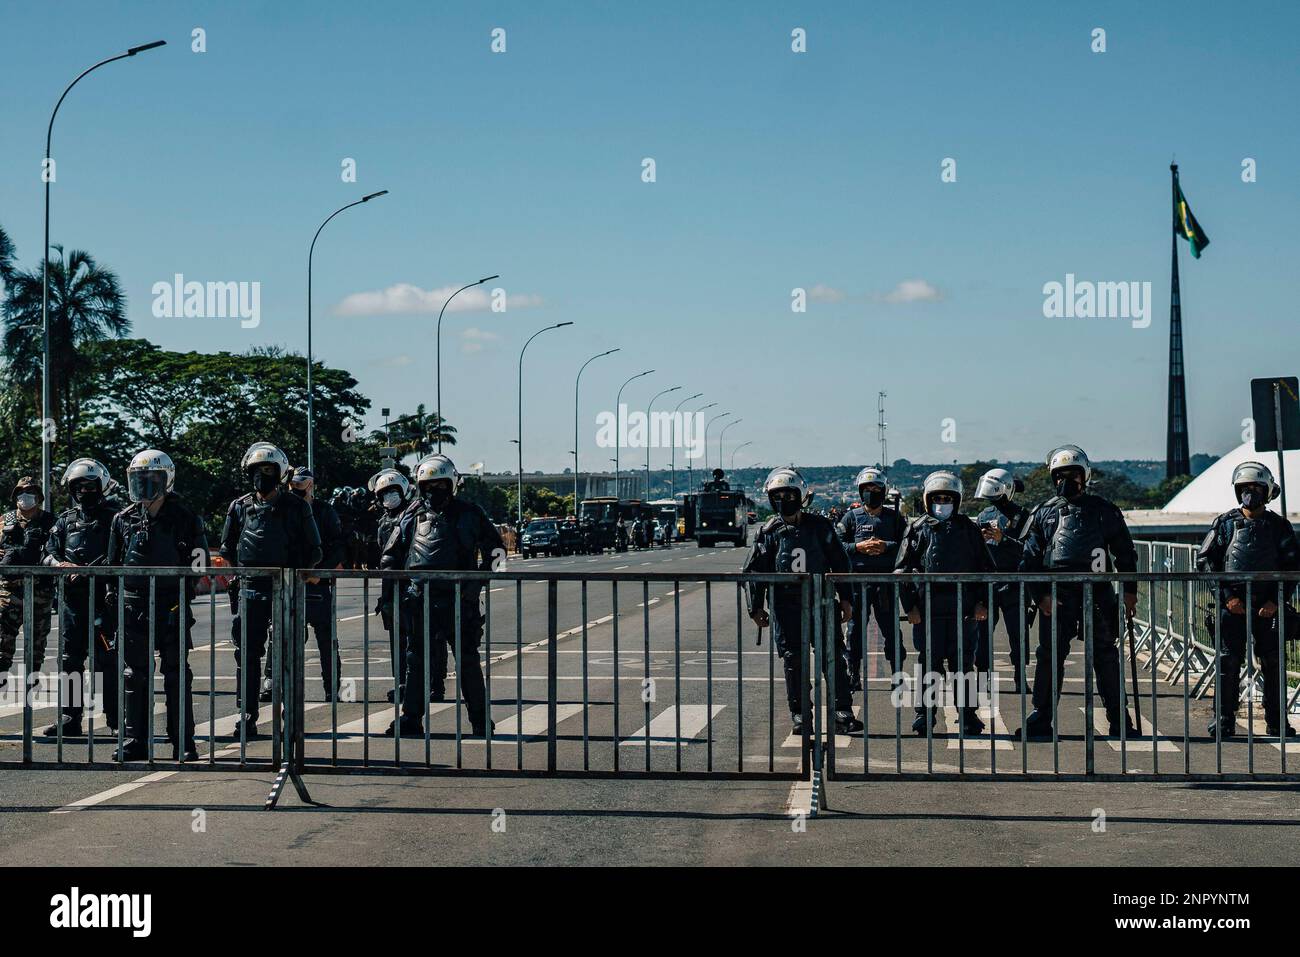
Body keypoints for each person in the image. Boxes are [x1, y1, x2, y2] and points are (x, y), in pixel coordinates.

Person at [1019, 445, 1138, 739]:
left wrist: (1129, 591)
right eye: (1060, 475)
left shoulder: (1104, 511)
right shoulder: (1043, 514)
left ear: (1085, 476)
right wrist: (1040, 596)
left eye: (1073, 474)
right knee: (1049, 656)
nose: (1067, 480)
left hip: (1097, 593)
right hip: (1057, 596)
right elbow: (1029, 561)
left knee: (1106, 656)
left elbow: (1125, 553)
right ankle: (1041, 716)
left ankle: (1118, 717)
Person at [381, 455, 504, 737]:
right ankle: (411, 719)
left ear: (451, 485)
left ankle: (480, 721)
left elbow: (497, 552)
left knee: (468, 662)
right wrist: (394, 592)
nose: (433, 491)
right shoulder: (411, 514)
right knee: (416, 663)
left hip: (460, 601)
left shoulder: (471, 513)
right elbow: (390, 555)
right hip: (420, 600)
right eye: (428, 486)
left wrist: (477, 583)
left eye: (440, 485)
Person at [743, 467, 862, 736]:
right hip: (785, 608)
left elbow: (841, 563)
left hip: (821, 602)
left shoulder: (821, 527)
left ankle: (842, 711)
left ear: (801, 495)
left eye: (789, 494)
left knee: (832, 658)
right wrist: (755, 606)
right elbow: (754, 572)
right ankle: (800, 714)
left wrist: (846, 599)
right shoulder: (767, 532)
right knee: (793, 661)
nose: (784, 500)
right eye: (778, 495)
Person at [105, 450, 208, 761]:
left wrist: (180, 595)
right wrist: (114, 599)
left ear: (166, 479)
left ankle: (183, 743)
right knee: (134, 674)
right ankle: (135, 741)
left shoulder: (186, 518)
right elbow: (112, 566)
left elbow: (199, 565)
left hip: (171, 606)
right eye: (139, 478)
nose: (145, 484)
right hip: (132, 606)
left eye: (152, 478)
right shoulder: (122, 519)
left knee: (177, 674)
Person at [219, 442, 321, 738]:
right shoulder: (239, 507)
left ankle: (292, 719)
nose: (262, 475)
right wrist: (237, 577)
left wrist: (295, 575)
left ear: (280, 473)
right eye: (256, 470)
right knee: (247, 656)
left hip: (286, 590)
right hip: (250, 590)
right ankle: (246, 716)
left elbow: (314, 549)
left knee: (289, 655)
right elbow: (228, 548)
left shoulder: (297, 506)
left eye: (268, 469)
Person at [1196, 461, 1300, 738]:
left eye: (1255, 488)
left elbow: (1292, 568)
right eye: (1244, 488)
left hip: (1269, 607)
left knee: (1273, 664)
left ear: (1267, 491)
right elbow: (1206, 562)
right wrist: (1227, 597)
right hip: (1233, 607)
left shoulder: (1279, 527)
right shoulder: (1225, 524)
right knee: (1228, 663)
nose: (1249, 493)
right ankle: (1224, 720)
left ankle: (1277, 723)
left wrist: (1277, 601)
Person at [894, 471, 995, 735]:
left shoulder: (969, 530)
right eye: (937, 497)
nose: (942, 502)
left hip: (964, 611)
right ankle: (924, 716)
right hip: (928, 611)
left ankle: (969, 715)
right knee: (929, 665)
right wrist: (910, 607)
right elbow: (902, 570)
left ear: (957, 500)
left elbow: (987, 568)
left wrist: (982, 602)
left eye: (947, 498)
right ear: (928, 500)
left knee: (964, 665)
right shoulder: (916, 529)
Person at [43, 459, 120, 737]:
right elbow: (48, 553)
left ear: (100, 486)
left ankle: (115, 719)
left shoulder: (116, 517)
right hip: (72, 603)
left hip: (105, 601)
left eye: (90, 486)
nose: (84, 491)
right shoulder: (65, 520)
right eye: (79, 486)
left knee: (108, 661)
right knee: (69, 660)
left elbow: (120, 555)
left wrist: (90, 572)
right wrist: (61, 566)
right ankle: (70, 717)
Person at [259, 467, 345, 700]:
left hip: (316, 583)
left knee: (326, 638)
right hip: (288, 582)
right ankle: (271, 683)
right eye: (293, 485)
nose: (296, 489)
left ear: (310, 485)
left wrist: (320, 572)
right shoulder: (283, 508)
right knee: (278, 635)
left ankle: (331, 688)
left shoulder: (324, 511)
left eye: (301, 485)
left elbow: (338, 547)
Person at [837, 466, 907, 692]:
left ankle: (897, 673)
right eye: (867, 489)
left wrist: (885, 546)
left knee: (891, 630)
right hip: (858, 583)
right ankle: (853, 672)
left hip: (886, 584)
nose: (871, 492)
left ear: (884, 491)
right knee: (855, 630)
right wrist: (859, 547)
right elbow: (837, 547)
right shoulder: (850, 518)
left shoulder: (895, 518)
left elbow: (908, 546)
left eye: (876, 488)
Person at [973, 467, 1034, 693]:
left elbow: (1030, 551)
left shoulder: (1024, 516)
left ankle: (1020, 676)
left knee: (1018, 634)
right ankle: (982, 677)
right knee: (982, 633)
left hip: (1015, 582)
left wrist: (1004, 539)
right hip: (988, 583)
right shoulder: (983, 516)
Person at [369, 468, 423, 704]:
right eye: (384, 493)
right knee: (397, 640)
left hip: (414, 583)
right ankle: (402, 682)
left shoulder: (415, 515)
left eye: (393, 491)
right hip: (392, 586)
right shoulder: (382, 522)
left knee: (424, 637)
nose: (389, 496)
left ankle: (433, 684)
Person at [0, 476, 56, 693]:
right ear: (15, 497)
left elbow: (58, 550)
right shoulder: (4, 520)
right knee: (3, 639)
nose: (26, 495)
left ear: (39, 497)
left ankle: (32, 679)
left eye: (31, 491)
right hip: (9, 592)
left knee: (37, 642)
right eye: (22, 491)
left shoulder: (51, 522)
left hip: (40, 592)